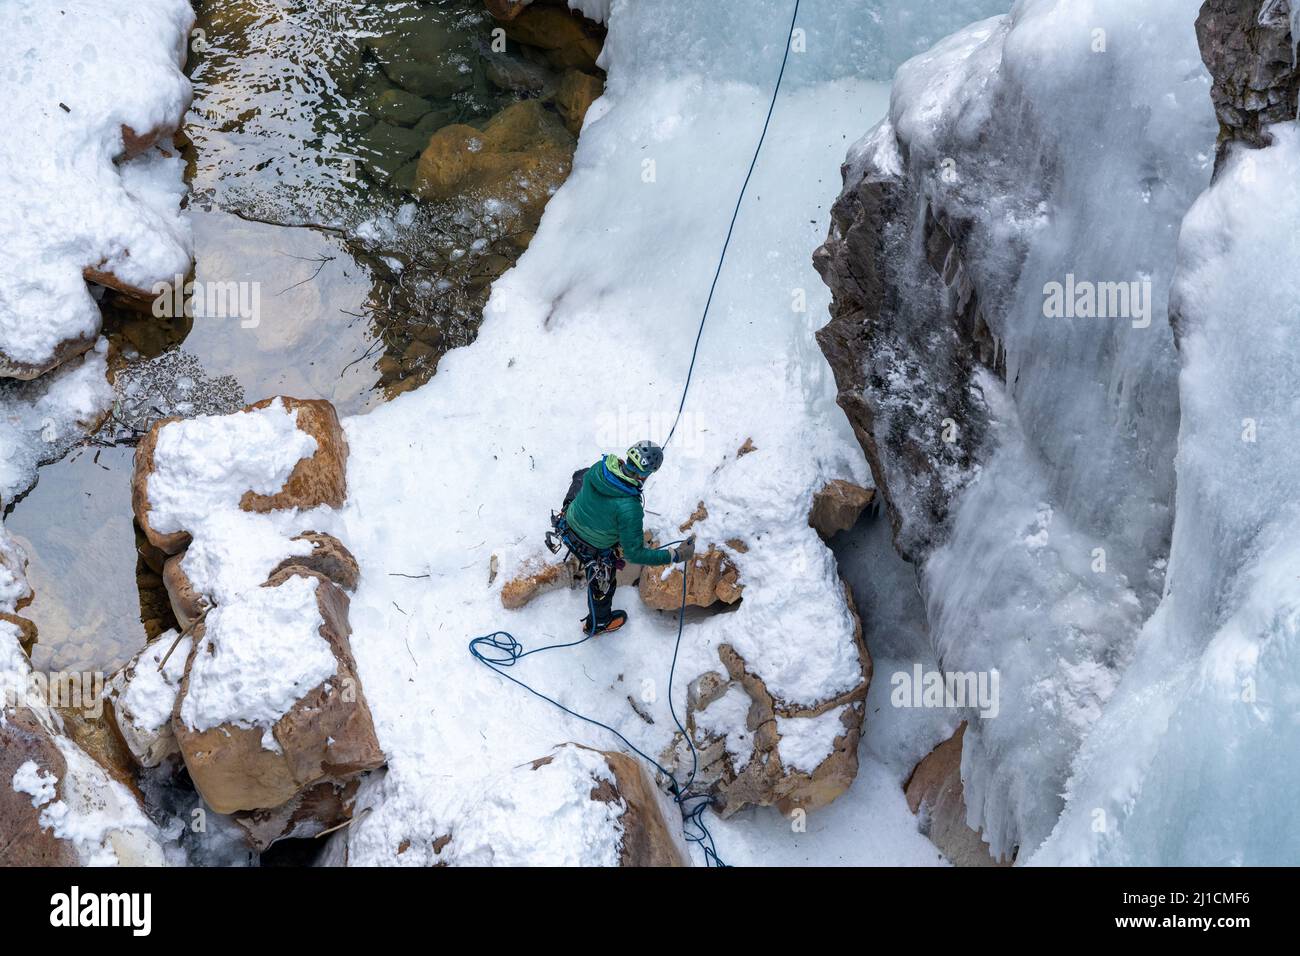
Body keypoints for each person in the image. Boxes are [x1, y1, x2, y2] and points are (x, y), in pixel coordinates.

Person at [554, 440, 695, 635]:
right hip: (592, 549)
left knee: (581, 476)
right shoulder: (630, 508)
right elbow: (635, 554)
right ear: (646, 475)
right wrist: (675, 555)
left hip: (568, 525)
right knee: (603, 583)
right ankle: (599, 623)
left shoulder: (599, 468)